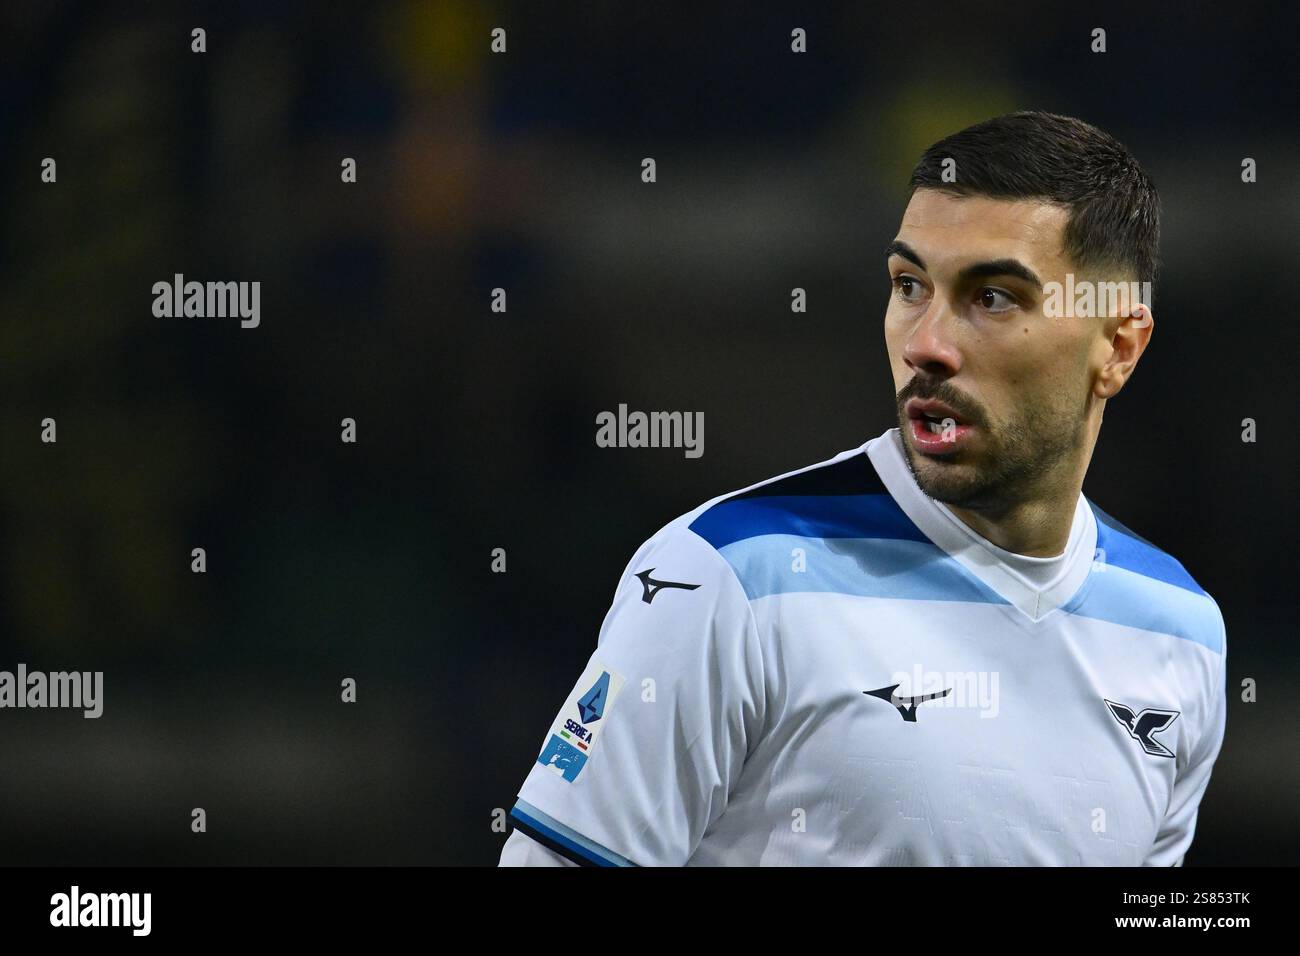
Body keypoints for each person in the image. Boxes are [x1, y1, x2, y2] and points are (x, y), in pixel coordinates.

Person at [499, 111, 1226, 866]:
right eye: (910, 285)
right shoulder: (727, 575)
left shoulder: (1179, 631)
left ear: (1118, 346)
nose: (925, 344)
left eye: (994, 298)